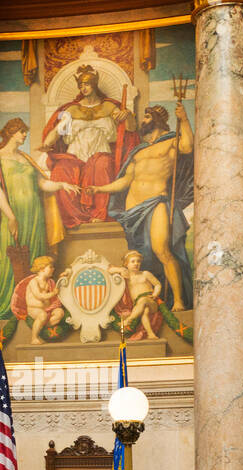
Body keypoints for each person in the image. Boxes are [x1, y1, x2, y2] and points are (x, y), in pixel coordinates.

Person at [87, 103, 194, 310]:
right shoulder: (138, 151)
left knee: (162, 250)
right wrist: (99, 189)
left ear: (157, 119)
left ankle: (179, 300)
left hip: (156, 202)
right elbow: (125, 181)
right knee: (139, 257)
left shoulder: (172, 140)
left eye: (146, 117)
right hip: (133, 210)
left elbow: (188, 147)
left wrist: (184, 119)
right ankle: (145, 300)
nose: (143, 122)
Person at [0, 118, 78, 321]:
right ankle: (6, 302)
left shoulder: (25, 159)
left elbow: (43, 184)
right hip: (14, 214)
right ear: (9, 133)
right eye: (20, 131)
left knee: (32, 255)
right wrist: (10, 217)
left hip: (34, 216)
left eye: (25, 131)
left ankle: (31, 302)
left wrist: (62, 184)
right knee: (8, 256)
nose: (24, 135)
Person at [39, 65, 136, 227]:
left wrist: (128, 116)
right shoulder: (72, 109)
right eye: (81, 85)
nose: (83, 88)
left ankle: (98, 213)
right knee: (61, 169)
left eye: (87, 84)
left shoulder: (109, 107)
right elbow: (57, 131)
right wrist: (46, 143)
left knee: (101, 165)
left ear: (94, 84)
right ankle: (73, 217)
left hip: (100, 152)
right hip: (75, 154)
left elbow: (130, 129)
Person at [11, 255, 65, 344]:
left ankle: (43, 326)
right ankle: (34, 338)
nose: (53, 269)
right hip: (34, 309)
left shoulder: (50, 282)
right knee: (42, 315)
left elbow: (57, 293)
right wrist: (53, 293)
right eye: (50, 267)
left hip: (47, 309)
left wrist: (62, 277)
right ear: (42, 268)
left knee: (60, 312)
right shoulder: (34, 282)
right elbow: (39, 296)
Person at [112, 250, 162, 339]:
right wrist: (120, 269)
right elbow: (109, 269)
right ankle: (151, 334)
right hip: (138, 306)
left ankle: (128, 320)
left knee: (143, 300)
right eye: (133, 261)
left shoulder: (145, 274)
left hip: (152, 302)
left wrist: (155, 294)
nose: (136, 264)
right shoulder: (126, 276)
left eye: (138, 261)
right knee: (144, 312)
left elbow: (157, 284)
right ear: (126, 264)